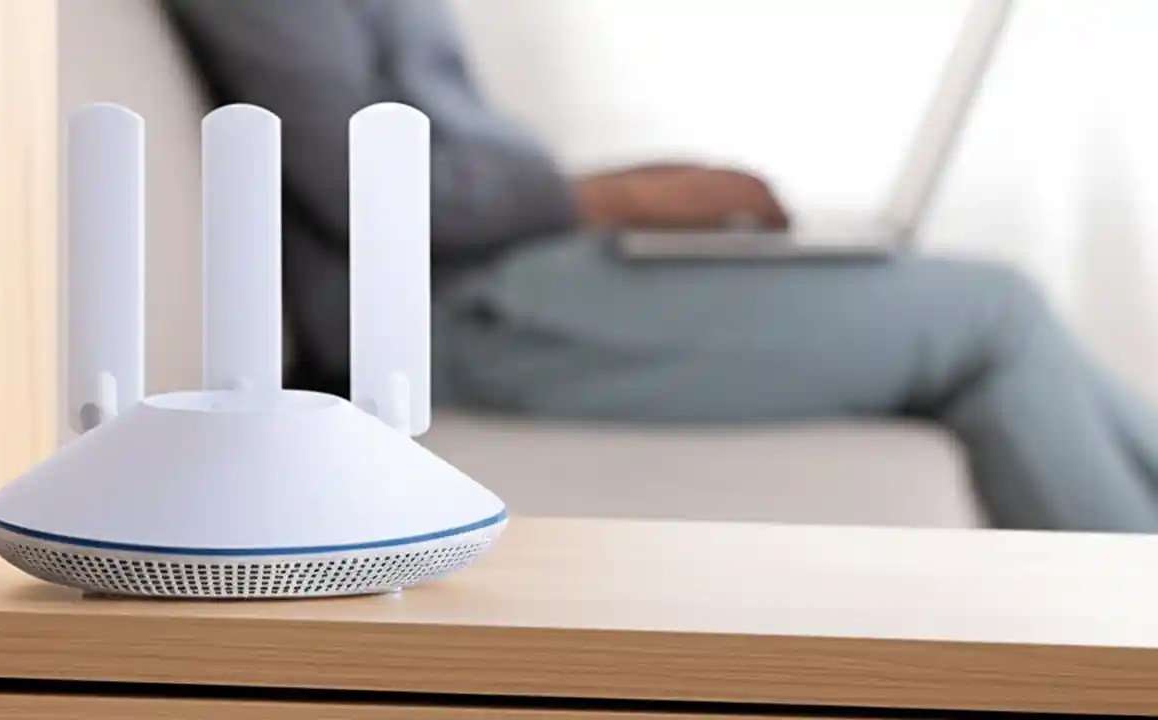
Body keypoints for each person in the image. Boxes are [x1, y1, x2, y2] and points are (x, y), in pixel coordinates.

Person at [165, 0, 1158, 532]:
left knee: (1008, 324)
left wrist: (605, 193)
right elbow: (367, 183)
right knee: (992, 320)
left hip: (521, 262)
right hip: (445, 312)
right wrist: (608, 198)